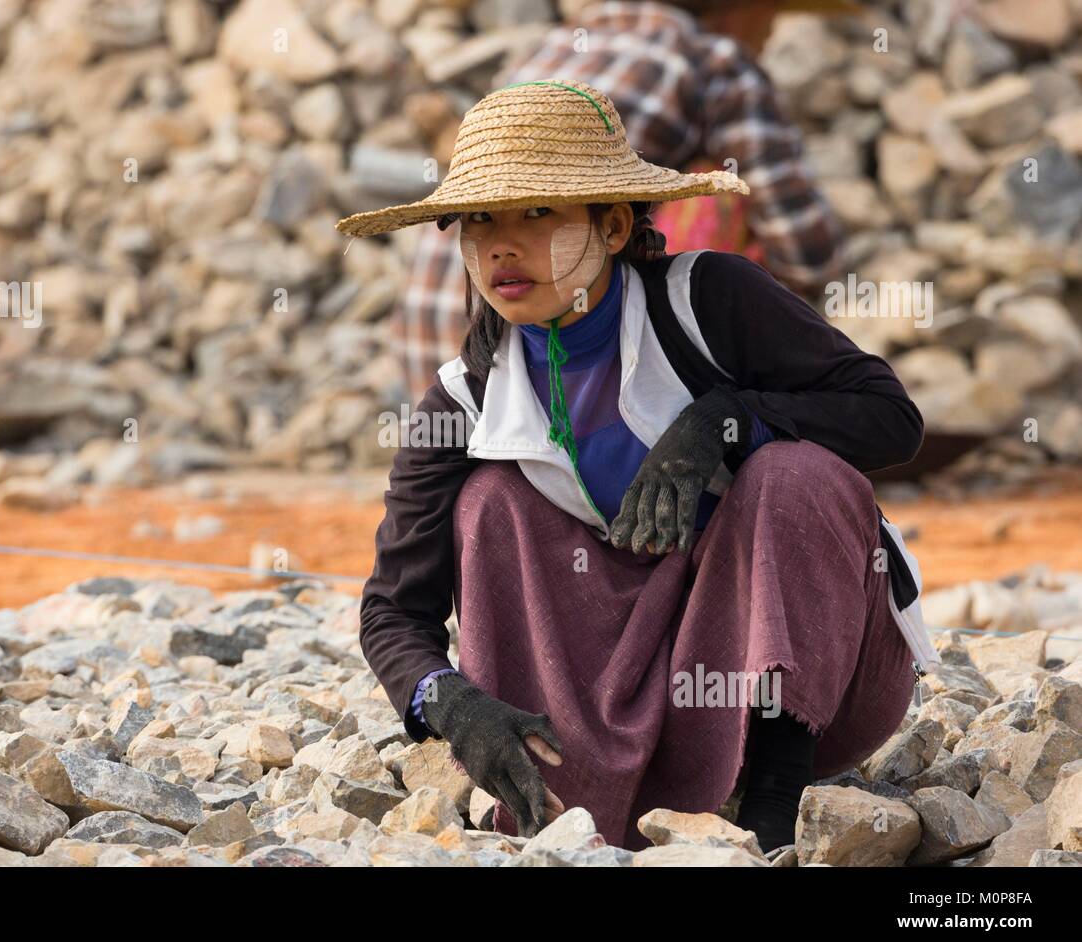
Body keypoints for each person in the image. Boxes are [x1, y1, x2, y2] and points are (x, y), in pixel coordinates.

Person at [335, 79, 939, 855]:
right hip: (618, 704)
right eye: (480, 221)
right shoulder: (463, 401)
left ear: (615, 225)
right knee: (491, 500)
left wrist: (726, 419)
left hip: (824, 693)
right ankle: (575, 789)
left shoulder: (708, 302)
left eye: (538, 213)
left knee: (791, 475)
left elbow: (892, 419)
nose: (501, 247)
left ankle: (772, 808)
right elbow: (391, 610)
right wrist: (448, 704)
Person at [391, 0, 857, 402]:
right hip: (527, 364)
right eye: (771, 13)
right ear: (738, 8)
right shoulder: (711, 58)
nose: (771, 32)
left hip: (432, 362)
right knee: (716, 194)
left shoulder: (550, 49)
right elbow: (805, 251)